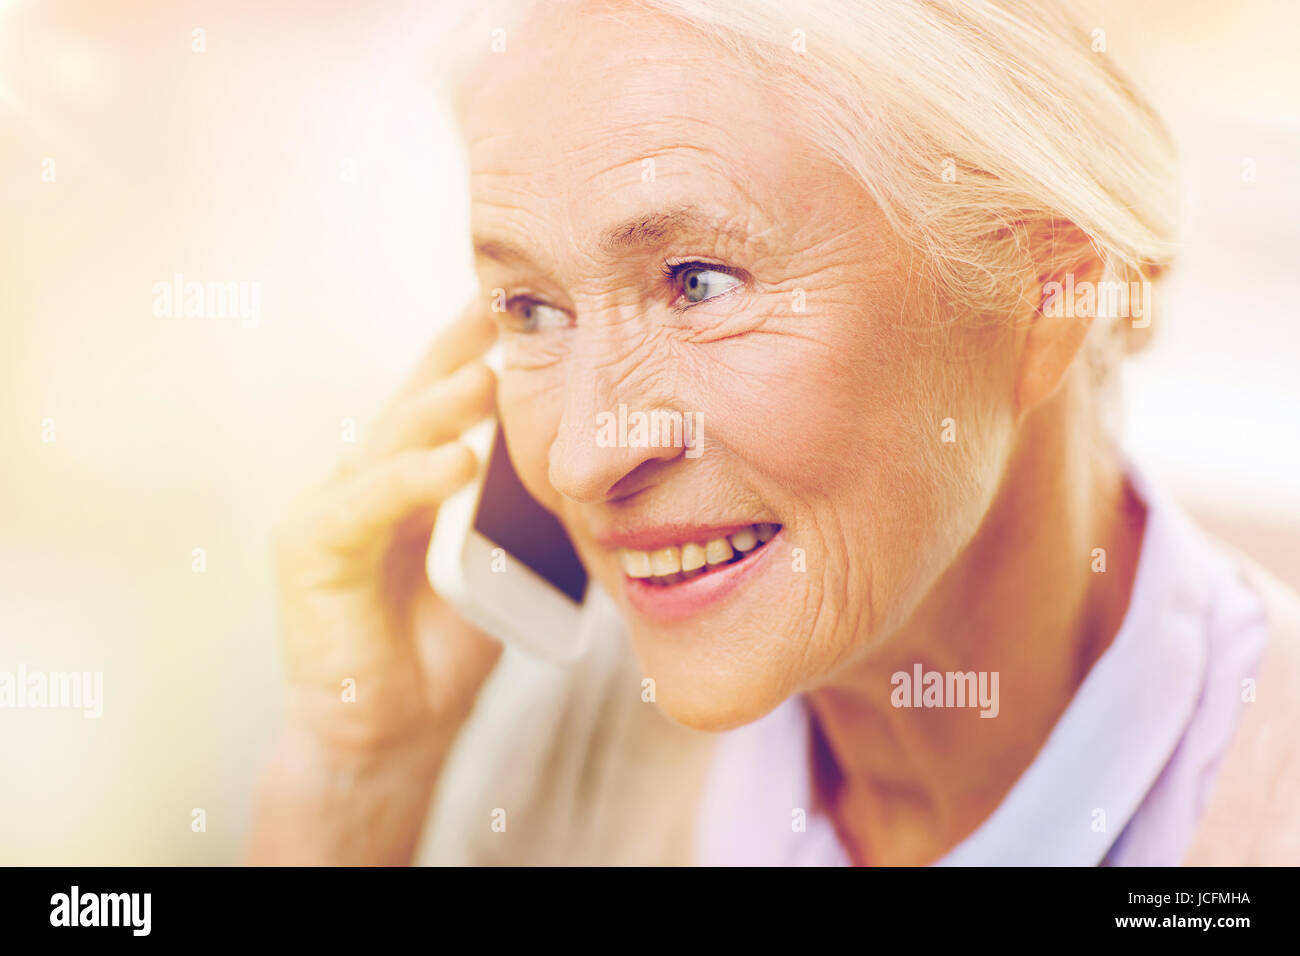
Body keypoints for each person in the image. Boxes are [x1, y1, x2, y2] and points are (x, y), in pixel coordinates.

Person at [247, 0, 1300, 866]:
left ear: (1042, 295)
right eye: (532, 309)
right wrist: (359, 775)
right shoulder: (569, 766)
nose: (578, 456)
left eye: (698, 283)